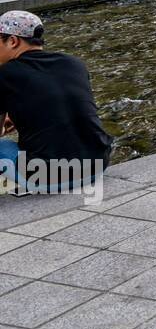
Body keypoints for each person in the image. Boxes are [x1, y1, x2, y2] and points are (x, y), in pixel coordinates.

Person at [0, 10, 112, 193]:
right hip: (97, 164)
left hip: (48, 177)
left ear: (12, 41)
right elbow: (65, 105)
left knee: (2, 147)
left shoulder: (4, 74)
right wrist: (20, 115)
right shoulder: (73, 63)